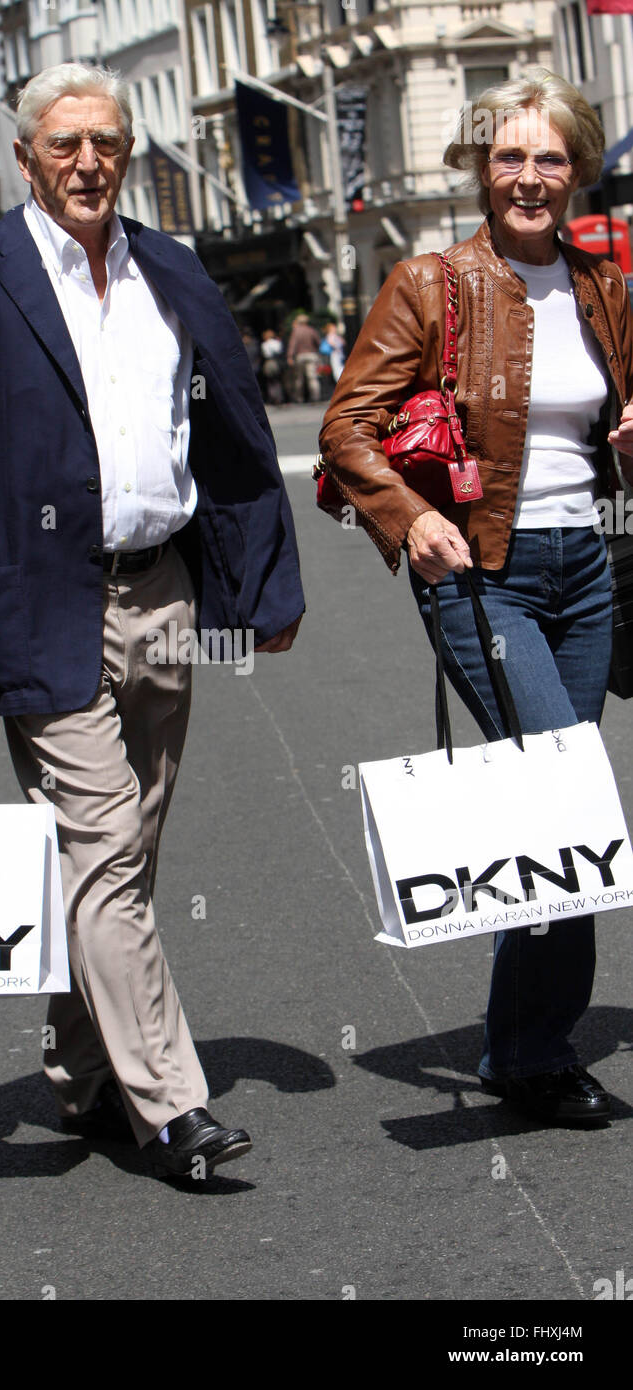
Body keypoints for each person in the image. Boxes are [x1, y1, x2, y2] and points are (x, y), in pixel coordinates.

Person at [0, 62, 304, 1180]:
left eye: (104, 143)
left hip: (159, 590)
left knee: (124, 854)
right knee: (104, 846)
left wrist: (259, 587)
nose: (85, 163)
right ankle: (169, 1107)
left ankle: (81, 1070)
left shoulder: (171, 269)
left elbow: (234, 434)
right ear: (24, 159)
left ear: (127, 154)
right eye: (62, 144)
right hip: (35, 599)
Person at [319, 69, 633, 1127]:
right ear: (477, 168)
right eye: (508, 156)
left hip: (584, 573)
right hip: (481, 575)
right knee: (568, 800)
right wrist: (408, 518)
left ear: (576, 169)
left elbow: (614, 429)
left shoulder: (599, 288)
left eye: (549, 157)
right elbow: (345, 426)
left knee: (543, 809)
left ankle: (515, 1043)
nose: (529, 177)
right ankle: (534, 1054)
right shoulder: (430, 283)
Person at [286, 312, 321, 403]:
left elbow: (292, 344)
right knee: (312, 377)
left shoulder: (296, 331)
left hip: (300, 355)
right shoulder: (311, 330)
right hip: (311, 354)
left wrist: (290, 356)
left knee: (299, 378)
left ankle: (299, 398)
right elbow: (318, 342)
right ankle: (315, 397)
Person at [260, 327, 285, 405]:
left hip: (269, 362)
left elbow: (264, 354)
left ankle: (273, 397)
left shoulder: (264, 344)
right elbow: (279, 351)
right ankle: (279, 397)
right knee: (277, 380)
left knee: (270, 381)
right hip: (276, 362)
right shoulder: (277, 343)